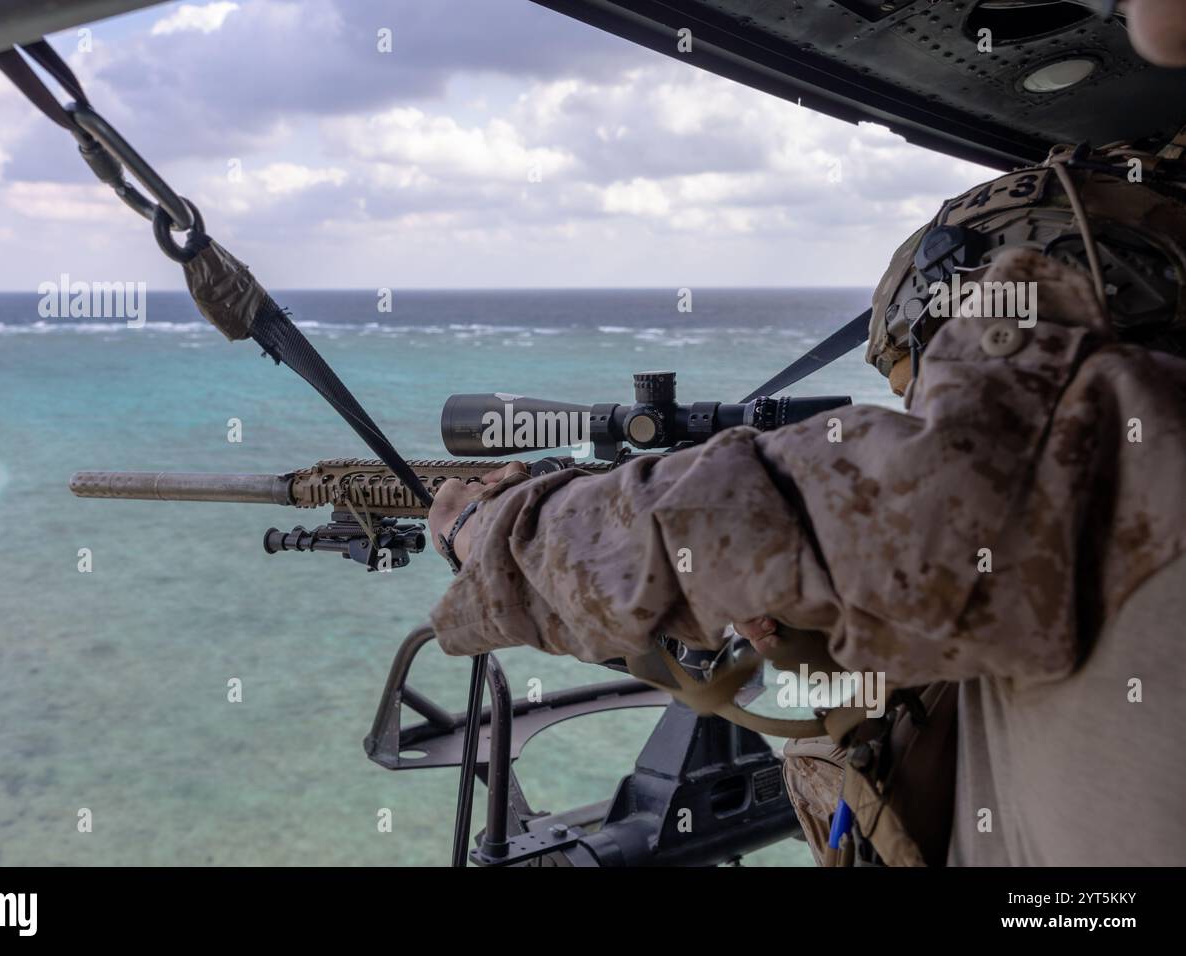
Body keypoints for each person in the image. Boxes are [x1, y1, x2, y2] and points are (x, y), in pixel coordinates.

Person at [424, 3, 1186, 866]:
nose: (929, 408)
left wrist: (493, 534)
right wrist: (802, 633)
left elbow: (794, 514)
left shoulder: (1109, 445)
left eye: (932, 376)